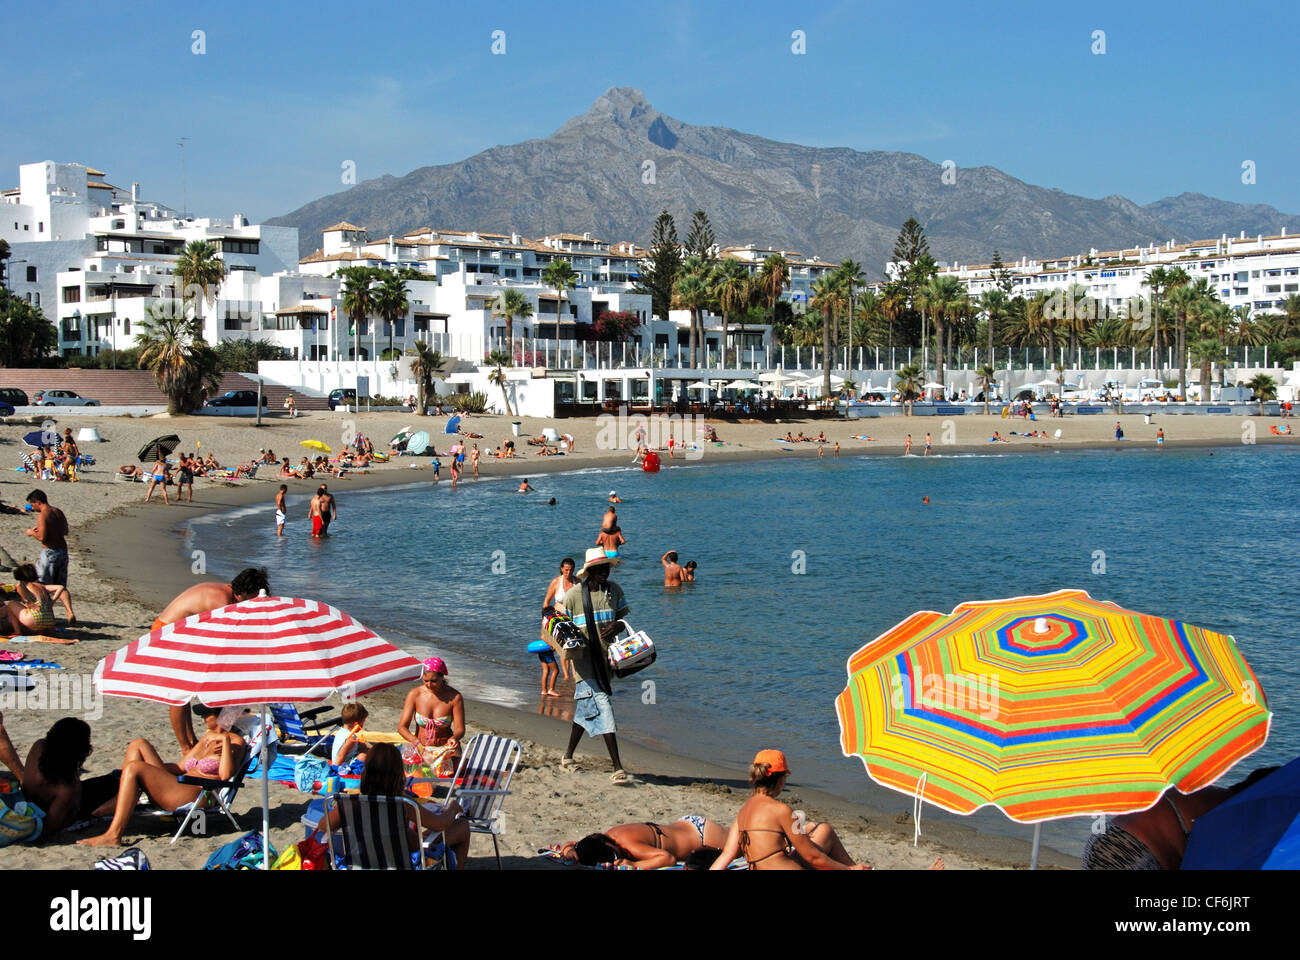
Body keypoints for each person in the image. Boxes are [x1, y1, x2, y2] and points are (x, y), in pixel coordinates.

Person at [78, 705, 248, 847]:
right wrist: (150, 767)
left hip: (199, 793)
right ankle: (121, 796)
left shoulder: (235, 742)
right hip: (178, 786)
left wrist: (225, 741)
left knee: (135, 768)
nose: (202, 718)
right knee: (138, 744)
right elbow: (181, 767)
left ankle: (113, 835)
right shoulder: (207, 737)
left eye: (206, 713)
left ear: (222, 715)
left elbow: (225, 775)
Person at [154, 568, 270, 750]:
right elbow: (228, 639)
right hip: (167, 634)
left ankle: (198, 739)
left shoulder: (230, 596)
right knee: (178, 695)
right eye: (253, 598)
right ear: (244, 592)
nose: (253, 604)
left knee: (189, 692)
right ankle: (187, 746)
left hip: (185, 635)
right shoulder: (221, 600)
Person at [314, 743, 470, 869]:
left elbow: (323, 826)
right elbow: (440, 824)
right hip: (399, 863)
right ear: (397, 772)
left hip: (360, 864)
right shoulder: (402, 803)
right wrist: (453, 807)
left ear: (367, 771)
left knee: (406, 833)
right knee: (462, 825)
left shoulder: (350, 803)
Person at [710, 750, 867, 870]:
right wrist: (849, 869)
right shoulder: (780, 810)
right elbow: (812, 857)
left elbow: (727, 854)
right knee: (825, 830)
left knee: (815, 832)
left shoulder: (743, 812)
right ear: (781, 780)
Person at [561, 548, 631, 783]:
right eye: (600, 569)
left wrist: (618, 626)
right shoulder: (572, 596)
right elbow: (560, 630)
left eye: (607, 568)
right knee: (603, 706)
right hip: (583, 663)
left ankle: (567, 757)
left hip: (606, 660)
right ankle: (618, 768)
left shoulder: (614, 591)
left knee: (585, 710)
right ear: (589, 571)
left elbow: (622, 619)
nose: (605, 573)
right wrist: (566, 660)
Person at [0, 716, 120, 836]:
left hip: (30, 800)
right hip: (56, 808)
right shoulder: (65, 789)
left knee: (106, 782)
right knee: (111, 785)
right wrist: (74, 811)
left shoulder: (39, 746)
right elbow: (49, 827)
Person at [557, 816, 729, 869]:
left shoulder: (629, 846)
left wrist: (634, 863)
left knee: (747, 842)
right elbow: (570, 844)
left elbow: (668, 859)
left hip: (702, 836)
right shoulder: (605, 836)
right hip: (686, 825)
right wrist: (570, 851)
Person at [398, 657, 465, 771]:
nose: (429, 684)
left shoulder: (454, 697)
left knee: (459, 769)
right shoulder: (415, 694)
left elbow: (460, 729)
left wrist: (454, 738)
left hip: (445, 749)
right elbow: (402, 727)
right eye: (425, 680)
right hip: (422, 748)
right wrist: (414, 740)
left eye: (433, 681)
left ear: (442, 676)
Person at [542, 558, 578, 686]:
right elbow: (546, 602)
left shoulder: (578, 582)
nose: (568, 573)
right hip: (558, 620)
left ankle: (575, 676)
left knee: (574, 647)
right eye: (566, 570)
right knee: (563, 649)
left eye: (571, 570)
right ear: (562, 569)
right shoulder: (556, 582)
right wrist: (545, 622)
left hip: (573, 620)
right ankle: (566, 676)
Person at [25, 490, 70, 589]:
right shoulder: (57, 511)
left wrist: (32, 532)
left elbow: (42, 538)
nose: (32, 508)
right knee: (60, 586)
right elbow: (65, 531)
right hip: (63, 551)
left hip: (50, 551)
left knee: (42, 584)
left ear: (38, 502)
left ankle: (45, 604)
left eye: (32, 505)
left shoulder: (42, 515)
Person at [5, 563, 59, 635]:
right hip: (49, 621)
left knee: (11, 604)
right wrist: (53, 601)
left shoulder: (21, 584)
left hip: (35, 620)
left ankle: (17, 632)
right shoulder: (40, 586)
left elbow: (26, 600)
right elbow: (60, 587)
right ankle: (43, 630)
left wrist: (28, 603)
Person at [331, 702, 371, 769]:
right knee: (363, 756)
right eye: (363, 722)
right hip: (344, 766)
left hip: (345, 760)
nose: (363, 726)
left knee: (365, 747)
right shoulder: (350, 738)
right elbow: (341, 756)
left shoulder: (341, 731)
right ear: (356, 724)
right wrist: (335, 770)